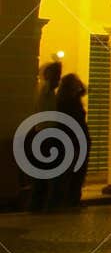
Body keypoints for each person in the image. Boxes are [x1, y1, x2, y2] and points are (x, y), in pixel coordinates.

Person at [26, 61, 61, 211]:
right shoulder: (45, 91)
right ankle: (37, 206)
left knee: (44, 174)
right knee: (43, 174)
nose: (58, 80)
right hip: (43, 136)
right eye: (56, 77)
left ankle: (39, 205)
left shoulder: (50, 92)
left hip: (46, 135)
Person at [51, 73, 89, 210]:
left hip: (76, 139)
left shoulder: (69, 99)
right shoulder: (68, 102)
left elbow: (84, 90)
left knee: (75, 172)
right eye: (75, 83)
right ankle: (70, 200)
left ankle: (72, 199)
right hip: (73, 140)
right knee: (74, 173)